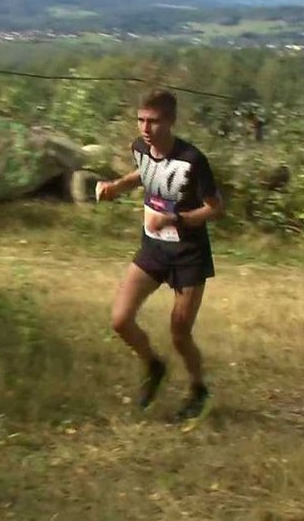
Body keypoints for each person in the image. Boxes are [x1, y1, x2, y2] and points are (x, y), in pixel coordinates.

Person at [97, 89, 224, 431]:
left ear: (170, 121)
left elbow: (215, 208)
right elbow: (145, 172)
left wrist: (177, 220)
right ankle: (154, 365)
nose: (145, 128)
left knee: (180, 333)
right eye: (141, 119)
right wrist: (116, 187)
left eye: (153, 121)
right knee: (120, 320)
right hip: (153, 249)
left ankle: (199, 390)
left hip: (188, 255)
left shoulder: (193, 160)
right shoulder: (139, 148)